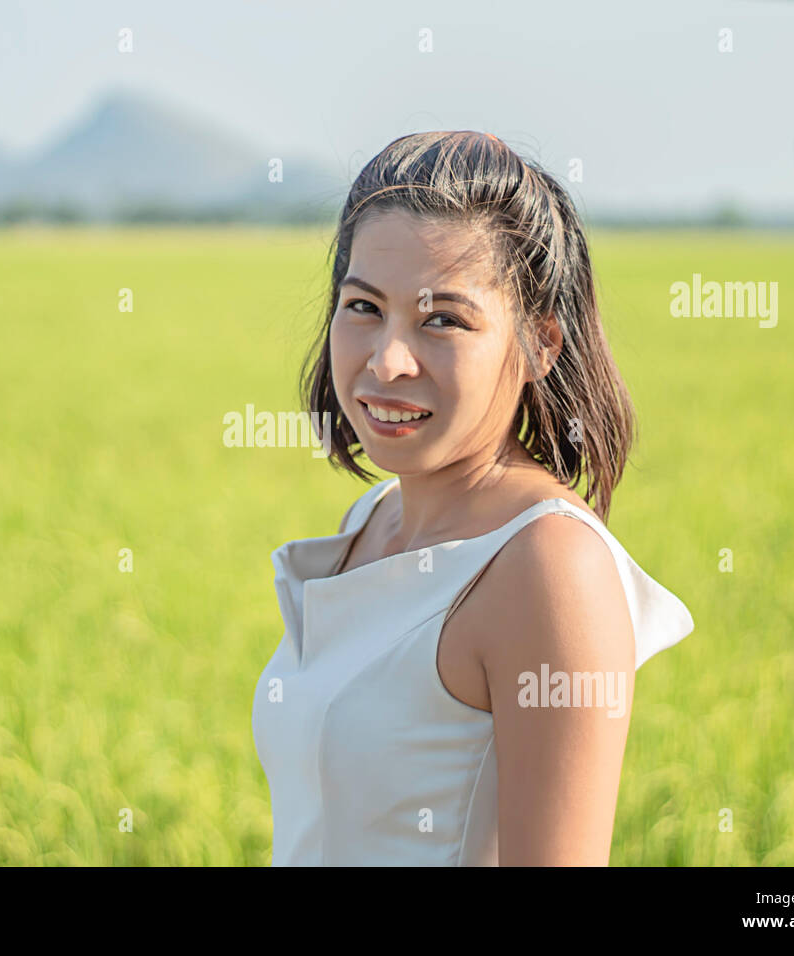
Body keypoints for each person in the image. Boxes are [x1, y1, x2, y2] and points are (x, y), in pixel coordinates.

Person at [251, 130, 695, 866]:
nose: (387, 361)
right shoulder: (373, 520)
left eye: (443, 320)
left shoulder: (550, 569)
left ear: (540, 343)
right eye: (363, 306)